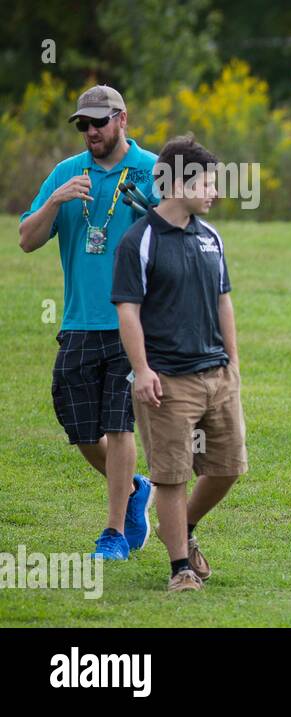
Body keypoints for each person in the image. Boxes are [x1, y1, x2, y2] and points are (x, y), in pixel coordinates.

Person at [18, 85, 156, 560]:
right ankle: (136, 489)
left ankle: (114, 534)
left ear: (122, 119)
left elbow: (184, 230)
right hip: (78, 320)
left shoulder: (153, 169)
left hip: (133, 321)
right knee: (79, 428)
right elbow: (26, 240)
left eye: (99, 122)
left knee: (120, 425)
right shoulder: (66, 173)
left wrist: (152, 211)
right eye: (83, 124)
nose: (91, 132)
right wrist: (54, 202)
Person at [112, 135, 247, 592]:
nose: (215, 191)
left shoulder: (211, 237)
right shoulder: (140, 240)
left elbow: (223, 300)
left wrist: (233, 362)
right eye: (207, 182)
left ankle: (182, 529)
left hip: (216, 374)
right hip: (166, 380)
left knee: (227, 468)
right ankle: (179, 569)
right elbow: (127, 310)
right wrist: (143, 369)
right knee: (171, 475)